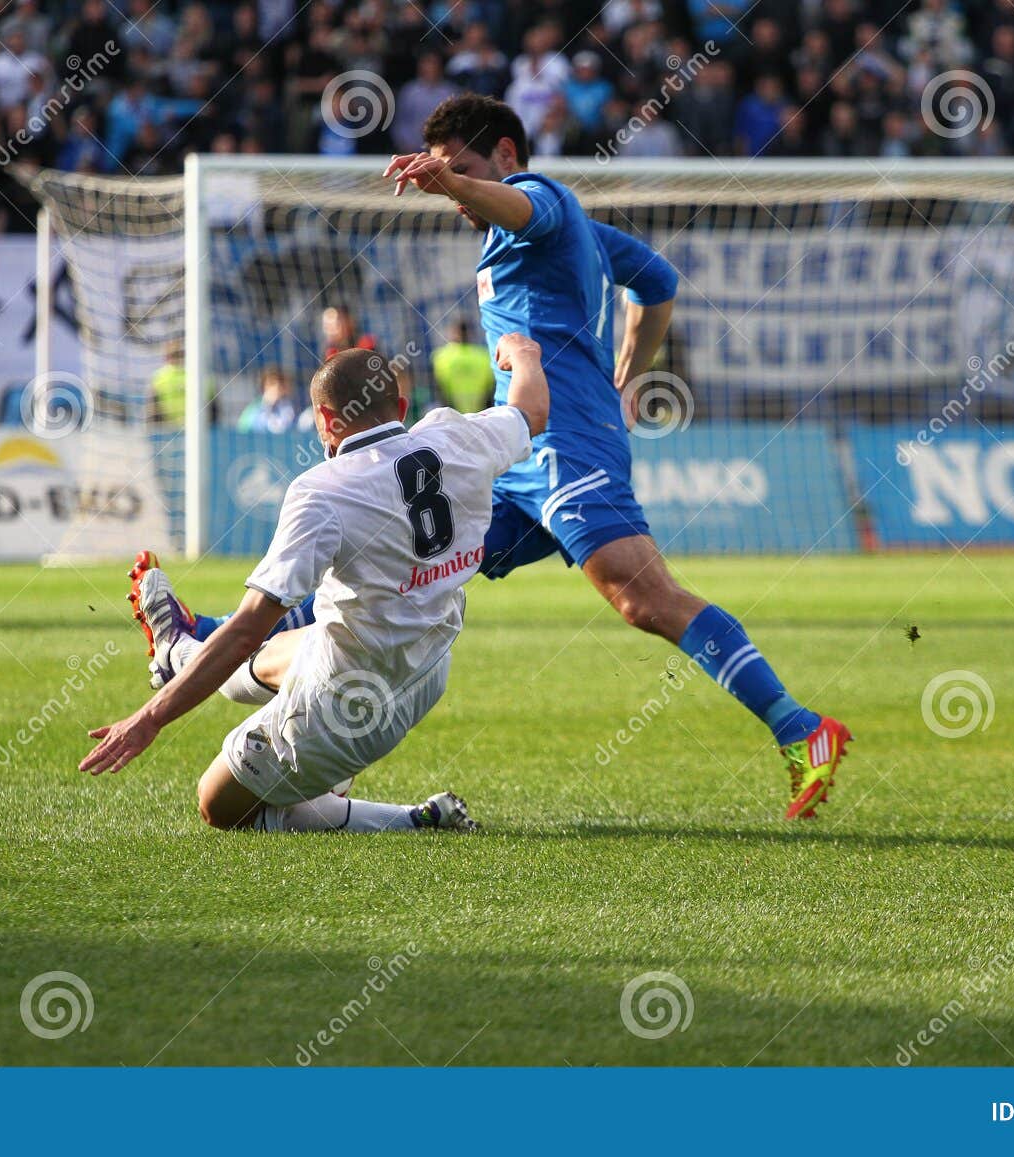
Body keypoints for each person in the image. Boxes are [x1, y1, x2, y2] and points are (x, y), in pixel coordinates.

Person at [165, 95, 850, 820]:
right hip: (523, 459)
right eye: (446, 171)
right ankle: (204, 638)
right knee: (399, 553)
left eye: (463, 168)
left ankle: (803, 728)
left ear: (506, 157)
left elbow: (529, 210)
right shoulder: (564, 232)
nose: (453, 187)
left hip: (564, 445)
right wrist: (627, 377)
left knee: (641, 595)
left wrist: (456, 185)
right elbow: (658, 283)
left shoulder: (539, 199)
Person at [86, 337, 551, 834]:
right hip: (428, 672)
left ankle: (415, 822)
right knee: (281, 651)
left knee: (217, 806)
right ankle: (179, 653)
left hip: (345, 705)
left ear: (325, 421)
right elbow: (530, 411)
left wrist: (150, 719)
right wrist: (525, 356)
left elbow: (246, 627)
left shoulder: (321, 490)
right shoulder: (456, 435)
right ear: (398, 406)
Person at [431, 319, 495, 413]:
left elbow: (438, 386)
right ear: (471, 333)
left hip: (452, 407)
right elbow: (490, 386)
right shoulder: (483, 355)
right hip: (480, 408)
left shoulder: (441, 356)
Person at [236, 367, 300, 432]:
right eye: (272, 384)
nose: (276, 388)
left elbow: (290, 426)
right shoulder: (253, 409)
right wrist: (267, 406)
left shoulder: (287, 406)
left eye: (279, 384)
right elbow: (243, 429)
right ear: (264, 386)